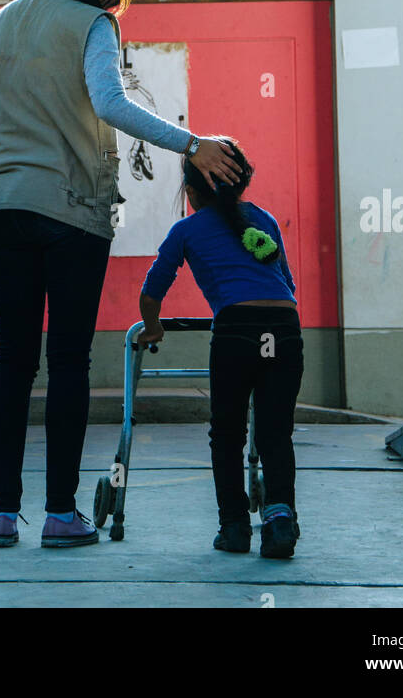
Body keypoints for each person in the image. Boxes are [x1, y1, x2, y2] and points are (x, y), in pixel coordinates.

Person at [0, 0, 241, 548]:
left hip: (0, 208)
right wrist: (192, 143)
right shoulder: (93, 24)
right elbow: (110, 103)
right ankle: (61, 513)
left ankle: (1, 514)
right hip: (69, 212)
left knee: (12, 359)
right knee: (66, 361)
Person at [138, 140, 303, 558]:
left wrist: (154, 328)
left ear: (191, 194)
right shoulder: (263, 219)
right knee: (274, 432)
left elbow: (152, 291)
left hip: (235, 332)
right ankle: (280, 523)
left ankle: (234, 528)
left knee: (227, 434)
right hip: (285, 329)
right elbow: (288, 285)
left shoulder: (187, 230)